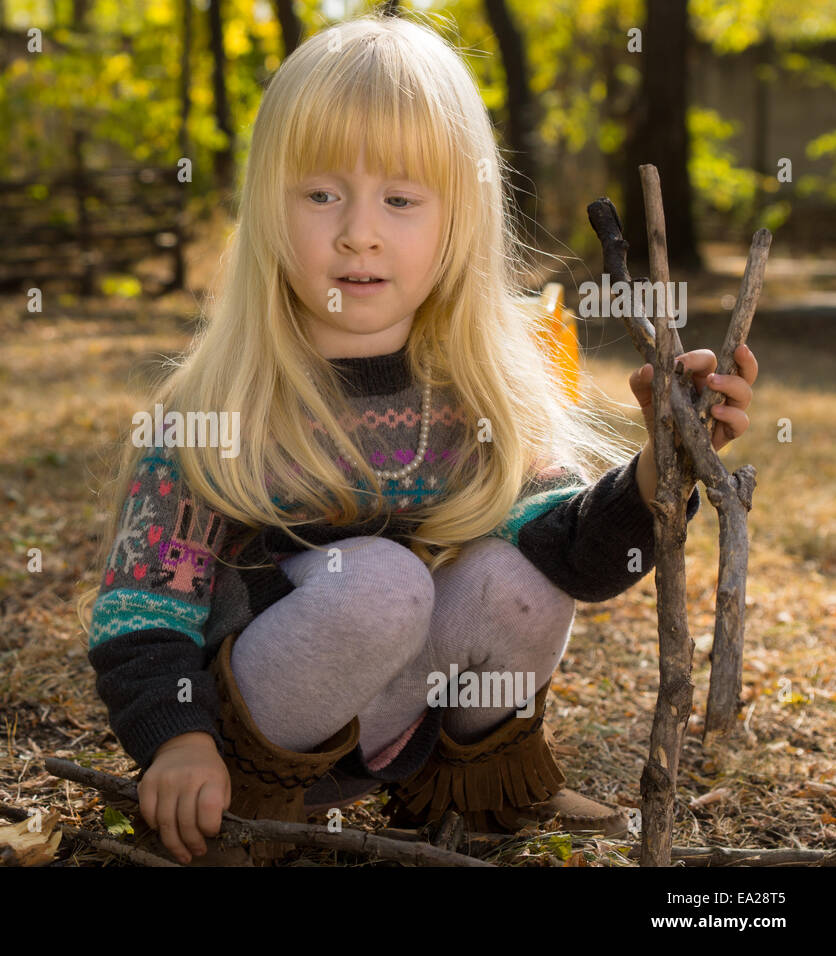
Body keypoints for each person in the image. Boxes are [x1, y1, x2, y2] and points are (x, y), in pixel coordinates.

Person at [76, 12, 758, 866]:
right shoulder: (212, 413)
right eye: (321, 193)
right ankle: (250, 817)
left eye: (400, 200)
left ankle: (473, 796)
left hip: (403, 726)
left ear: (457, 221)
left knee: (517, 579)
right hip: (247, 738)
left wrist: (665, 463)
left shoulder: (475, 399)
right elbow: (142, 610)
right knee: (380, 582)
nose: (359, 230)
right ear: (268, 208)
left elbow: (575, 560)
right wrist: (179, 740)